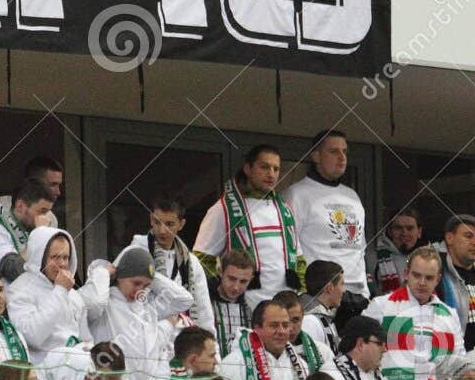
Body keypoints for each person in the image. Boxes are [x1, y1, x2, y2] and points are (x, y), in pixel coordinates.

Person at [195, 144, 305, 306]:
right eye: (264, 167)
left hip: (284, 307)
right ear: (247, 169)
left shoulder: (285, 210)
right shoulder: (223, 209)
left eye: (276, 169)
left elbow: (299, 260)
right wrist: (226, 291)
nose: (271, 174)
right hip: (243, 306)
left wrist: (302, 294)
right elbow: (201, 260)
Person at [85, 245, 194, 380]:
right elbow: (94, 302)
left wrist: (150, 275)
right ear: (120, 276)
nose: (140, 290)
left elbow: (185, 300)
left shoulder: (147, 307)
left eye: (145, 286)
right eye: (136, 283)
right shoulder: (106, 304)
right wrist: (106, 273)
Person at [279, 130, 368, 303]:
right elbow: (288, 251)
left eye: (344, 151)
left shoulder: (353, 196)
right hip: (319, 297)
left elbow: (360, 248)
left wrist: (365, 291)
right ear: (316, 156)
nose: (342, 157)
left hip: (358, 297)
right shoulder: (295, 195)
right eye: (334, 151)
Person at [9, 226, 107, 362]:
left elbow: (85, 339)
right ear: (39, 257)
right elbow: (33, 336)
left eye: (66, 257)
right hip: (41, 374)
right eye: (55, 257)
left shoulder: (73, 295)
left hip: (74, 372)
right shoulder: (20, 289)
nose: (62, 264)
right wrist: (60, 290)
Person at [130, 196, 212, 325]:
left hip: (180, 335)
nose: (162, 230)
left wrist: (209, 341)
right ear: (151, 219)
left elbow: (203, 309)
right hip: (142, 329)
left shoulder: (191, 263)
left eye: (169, 224)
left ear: (181, 224)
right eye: (158, 222)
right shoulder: (135, 252)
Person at [219, 297, 302, 380]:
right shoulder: (235, 363)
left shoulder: (300, 363)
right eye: (274, 325)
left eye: (285, 325)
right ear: (257, 328)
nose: (281, 331)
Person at [0, 177, 56, 280]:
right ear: (20, 206)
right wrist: (38, 236)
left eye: (48, 212)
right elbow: (13, 271)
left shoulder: (31, 231)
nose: (47, 218)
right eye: (42, 211)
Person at [331, 314, 394, 380]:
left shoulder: (376, 373)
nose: (385, 349)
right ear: (360, 344)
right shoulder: (333, 378)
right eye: (379, 343)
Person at [435, 213, 475, 349]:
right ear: (449, 238)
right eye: (468, 236)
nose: (474, 242)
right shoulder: (434, 274)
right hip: (450, 361)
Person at [374, 206, 423, 295]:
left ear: (419, 232)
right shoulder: (374, 259)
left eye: (410, 228)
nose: (404, 233)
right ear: (389, 231)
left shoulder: (430, 259)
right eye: (398, 228)